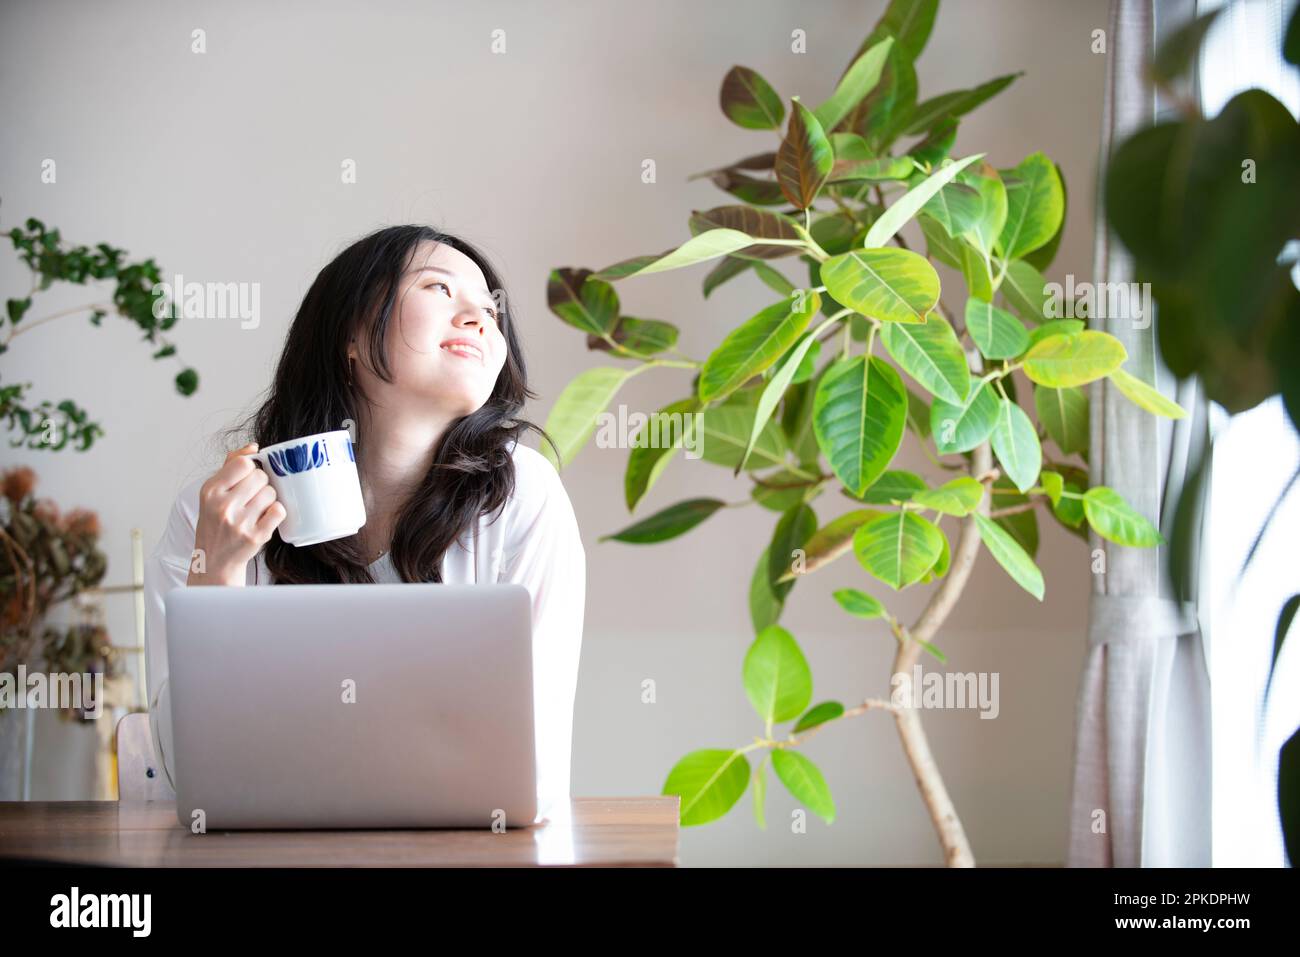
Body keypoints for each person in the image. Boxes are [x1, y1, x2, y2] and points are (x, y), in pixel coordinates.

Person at [142, 225, 586, 825]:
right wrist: (215, 572)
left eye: (489, 309)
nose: (481, 319)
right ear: (351, 332)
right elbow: (182, 775)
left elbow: (536, 777)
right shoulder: (212, 515)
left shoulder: (521, 496)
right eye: (438, 287)